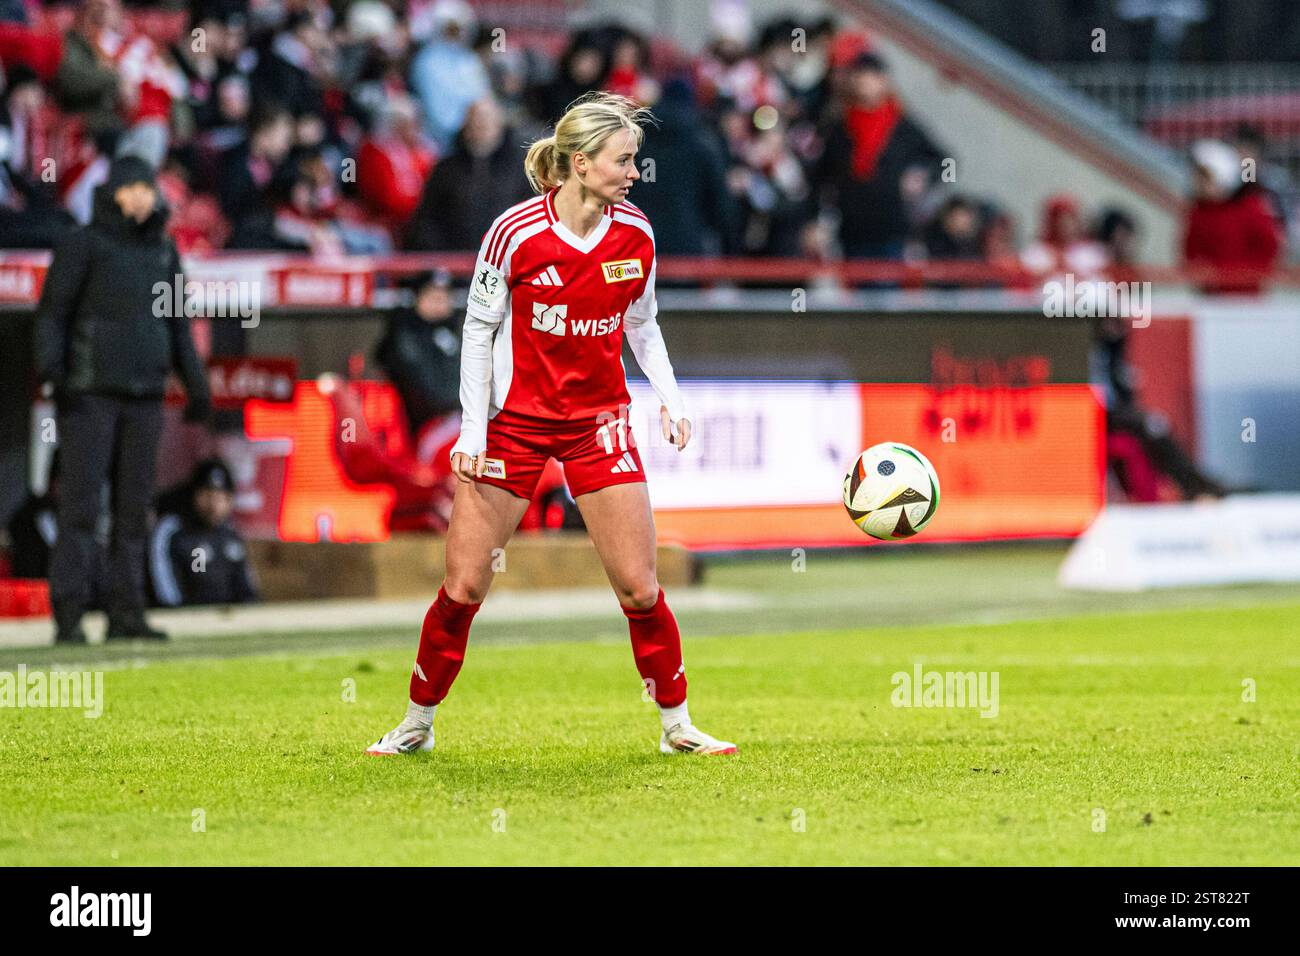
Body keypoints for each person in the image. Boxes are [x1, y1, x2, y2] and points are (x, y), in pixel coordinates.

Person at [367, 91, 737, 757]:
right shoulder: (514, 234)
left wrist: (671, 400)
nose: (633, 173)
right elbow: (477, 331)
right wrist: (474, 433)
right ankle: (416, 722)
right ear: (580, 162)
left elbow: (642, 327)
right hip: (515, 424)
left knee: (638, 585)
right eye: (623, 160)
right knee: (464, 584)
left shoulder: (637, 235)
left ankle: (677, 725)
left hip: (600, 421)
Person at [34, 155, 211, 644]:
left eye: (148, 188)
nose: (145, 197)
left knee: (135, 509)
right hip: (89, 394)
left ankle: (126, 611)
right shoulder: (83, 243)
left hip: (146, 395)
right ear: (114, 192)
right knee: (81, 508)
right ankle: (69, 614)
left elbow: (178, 326)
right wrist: (53, 372)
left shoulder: (162, 249)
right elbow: (54, 313)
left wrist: (196, 386)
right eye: (135, 187)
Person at [150, 459, 258, 608]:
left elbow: (247, 590)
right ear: (194, 494)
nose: (214, 505)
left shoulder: (230, 536)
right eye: (208, 495)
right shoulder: (173, 531)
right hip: (185, 617)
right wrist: (178, 609)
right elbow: (165, 590)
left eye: (221, 497)